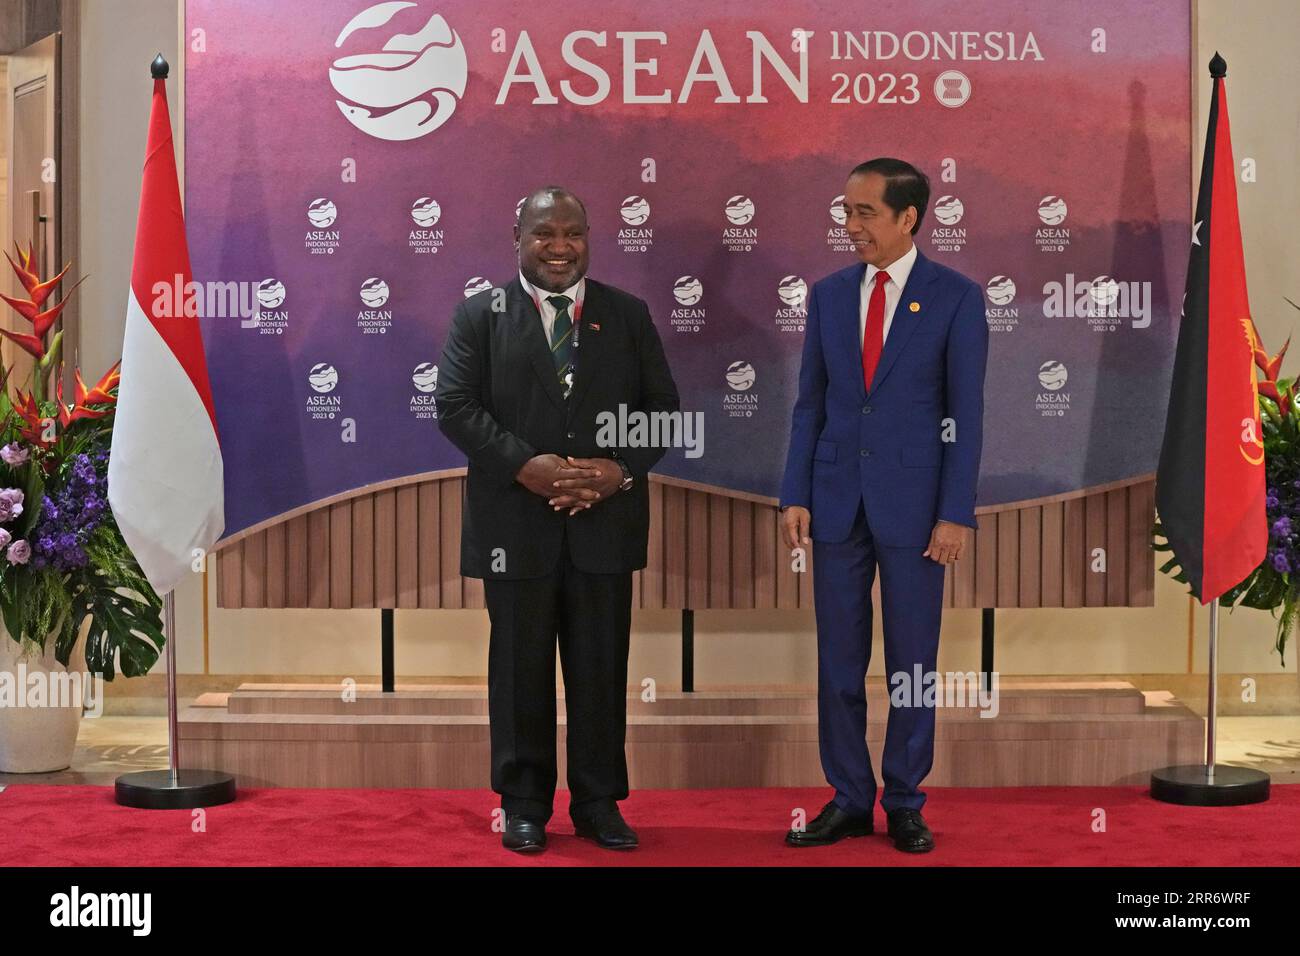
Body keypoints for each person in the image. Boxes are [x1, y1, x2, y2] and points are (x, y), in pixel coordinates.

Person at [436, 186, 679, 853]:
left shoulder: (626, 315)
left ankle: (600, 804)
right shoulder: (479, 316)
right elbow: (455, 406)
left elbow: (662, 410)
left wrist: (617, 472)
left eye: (573, 233)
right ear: (517, 234)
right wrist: (526, 466)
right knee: (519, 672)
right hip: (515, 528)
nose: (561, 247)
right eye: (546, 234)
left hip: (604, 526)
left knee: (600, 670)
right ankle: (524, 806)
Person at [779, 158, 988, 852]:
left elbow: (967, 413)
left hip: (918, 509)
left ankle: (904, 800)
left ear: (909, 218)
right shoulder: (830, 295)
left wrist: (955, 511)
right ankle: (847, 797)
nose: (851, 225)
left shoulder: (955, 297)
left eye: (865, 212)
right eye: (846, 211)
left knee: (911, 664)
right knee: (839, 663)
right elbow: (810, 403)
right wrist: (795, 493)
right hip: (836, 504)